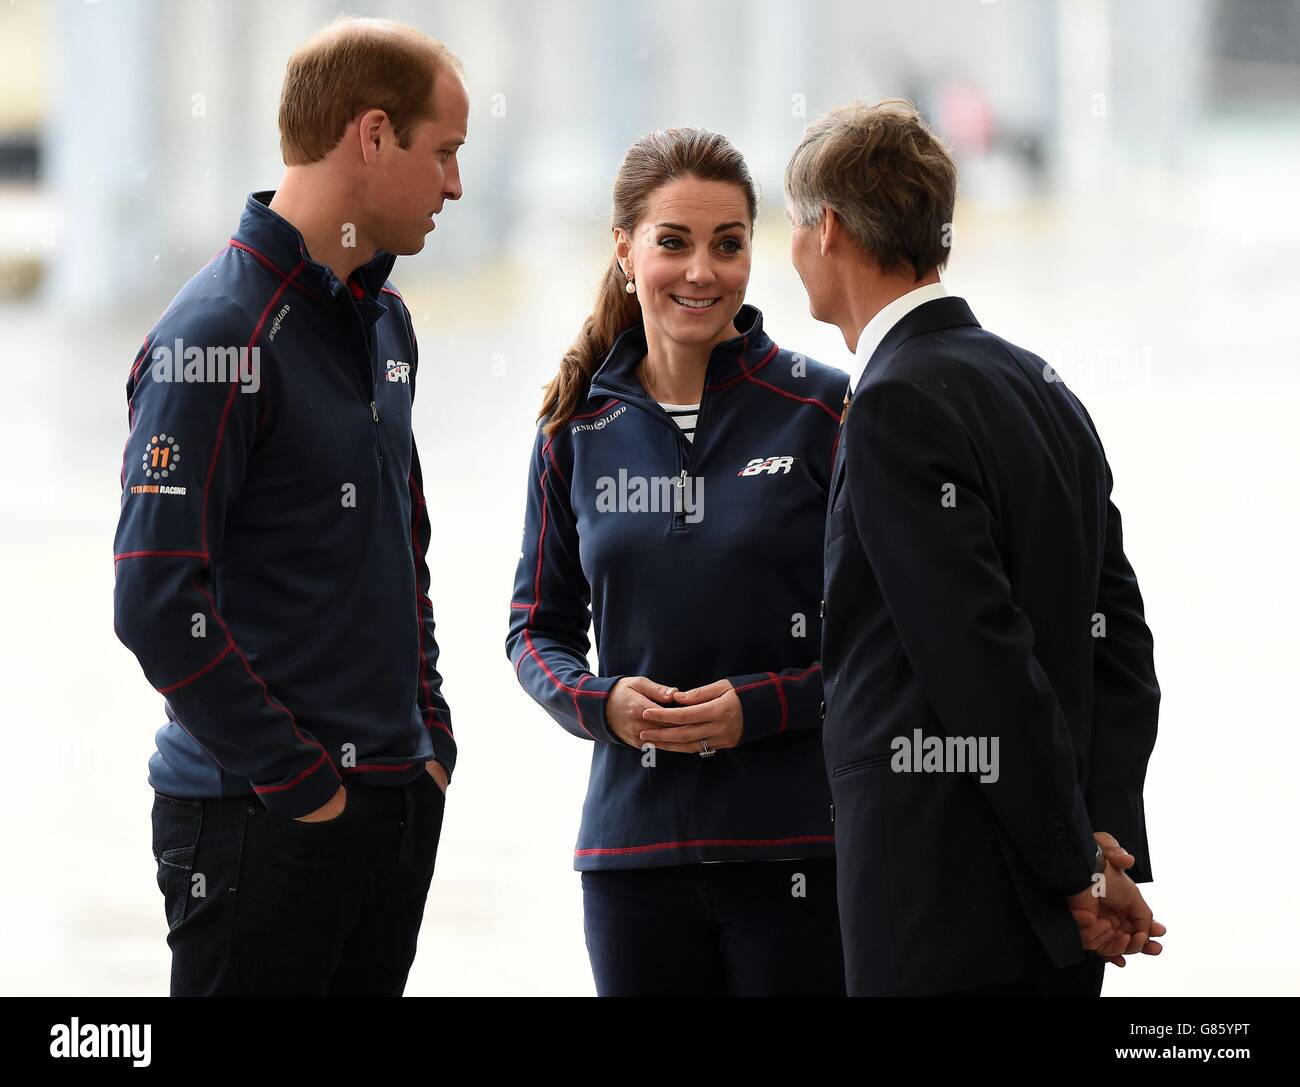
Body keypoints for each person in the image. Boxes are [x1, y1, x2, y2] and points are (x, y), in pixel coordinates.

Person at [113, 16, 467, 996]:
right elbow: (153, 601)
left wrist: (427, 740)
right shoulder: (216, 335)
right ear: (372, 136)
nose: (454, 185)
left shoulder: (383, 320)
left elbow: (406, 544)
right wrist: (303, 784)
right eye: (443, 153)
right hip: (258, 827)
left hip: (391, 807)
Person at [786, 99, 1164, 996]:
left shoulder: (891, 404)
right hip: (1054, 916)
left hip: (939, 899)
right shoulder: (1043, 385)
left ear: (830, 229)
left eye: (794, 225)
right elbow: (1122, 642)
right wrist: (1102, 844)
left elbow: (977, 658)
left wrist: (1076, 866)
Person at [506, 128, 849, 996]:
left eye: (727, 245)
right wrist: (600, 703)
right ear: (625, 250)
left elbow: (883, 642)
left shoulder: (825, 409)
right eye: (674, 242)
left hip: (798, 854)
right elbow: (533, 630)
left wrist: (764, 706)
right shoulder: (574, 428)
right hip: (631, 863)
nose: (703, 271)